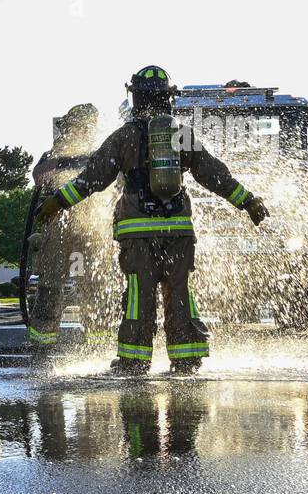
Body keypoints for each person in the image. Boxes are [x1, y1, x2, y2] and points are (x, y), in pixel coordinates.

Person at [35, 65, 270, 375]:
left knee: (139, 295)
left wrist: (56, 202)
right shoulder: (181, 135)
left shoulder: (124, 137)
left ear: (136, 98)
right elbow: (214, 174)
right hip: (179, 231)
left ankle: (134, 360)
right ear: (167, 99)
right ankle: (186, 358)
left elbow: (92, 179)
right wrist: (247, 201)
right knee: (179, 291)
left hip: (138, 232)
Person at [26, 103, 118, 360]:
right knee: (49, 289)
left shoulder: (102, 152)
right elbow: (39, 178)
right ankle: (42, 347)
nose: (80, 131)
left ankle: (100, 347)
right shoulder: (52, 154)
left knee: (95, 289)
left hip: (91, 229)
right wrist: (65, 159)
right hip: (57, 228)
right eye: (76, 126)